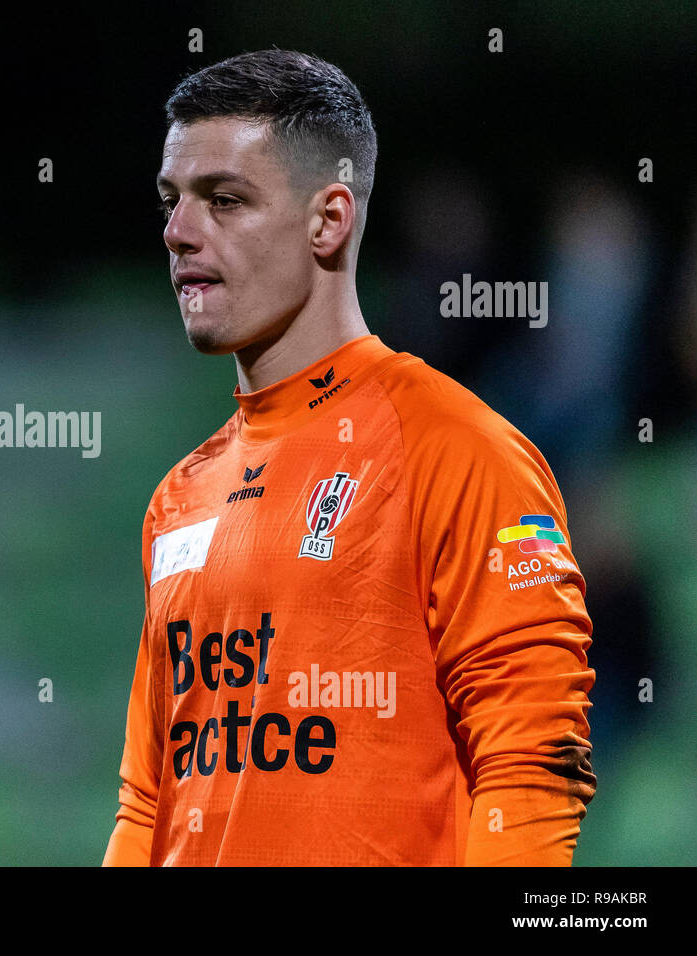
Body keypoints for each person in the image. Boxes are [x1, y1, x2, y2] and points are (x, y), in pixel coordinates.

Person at [103, 49, 595, 866]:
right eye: (172, 200)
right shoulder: (178, 497)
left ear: (328, 220)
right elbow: (147, 801)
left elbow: (532, 765)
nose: (178, 232)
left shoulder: (461, 452)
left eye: (223, 200)